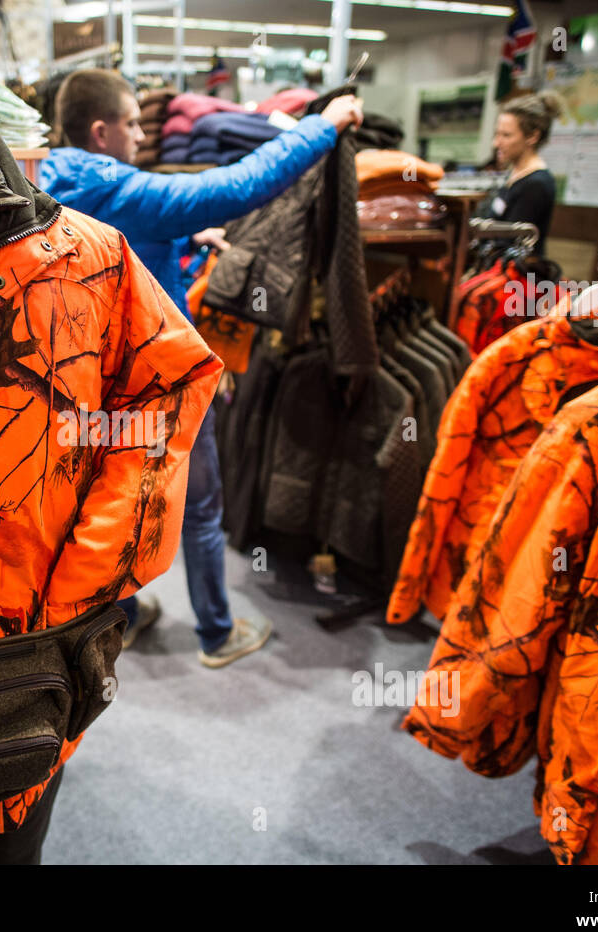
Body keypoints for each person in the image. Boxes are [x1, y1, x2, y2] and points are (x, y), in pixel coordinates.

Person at [39, 69, 362, 668]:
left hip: (96, 383)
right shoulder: (112, 184)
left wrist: (181, 243)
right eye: (133, 123)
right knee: (200, 506)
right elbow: (233, 186)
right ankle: (217, 631)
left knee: (114, 500)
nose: (140, 134)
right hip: (160, 374)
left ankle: (126, 617)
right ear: (102, 131)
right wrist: (323, 126)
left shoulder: (54, 181)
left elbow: (125, 250)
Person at [480, 91, 562, 251]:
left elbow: (509, 244)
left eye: (506, 135)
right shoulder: (515, 174)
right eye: (497, 134)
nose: (496, 143)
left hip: (516, 273)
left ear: (532, 136)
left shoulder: (536, 184)